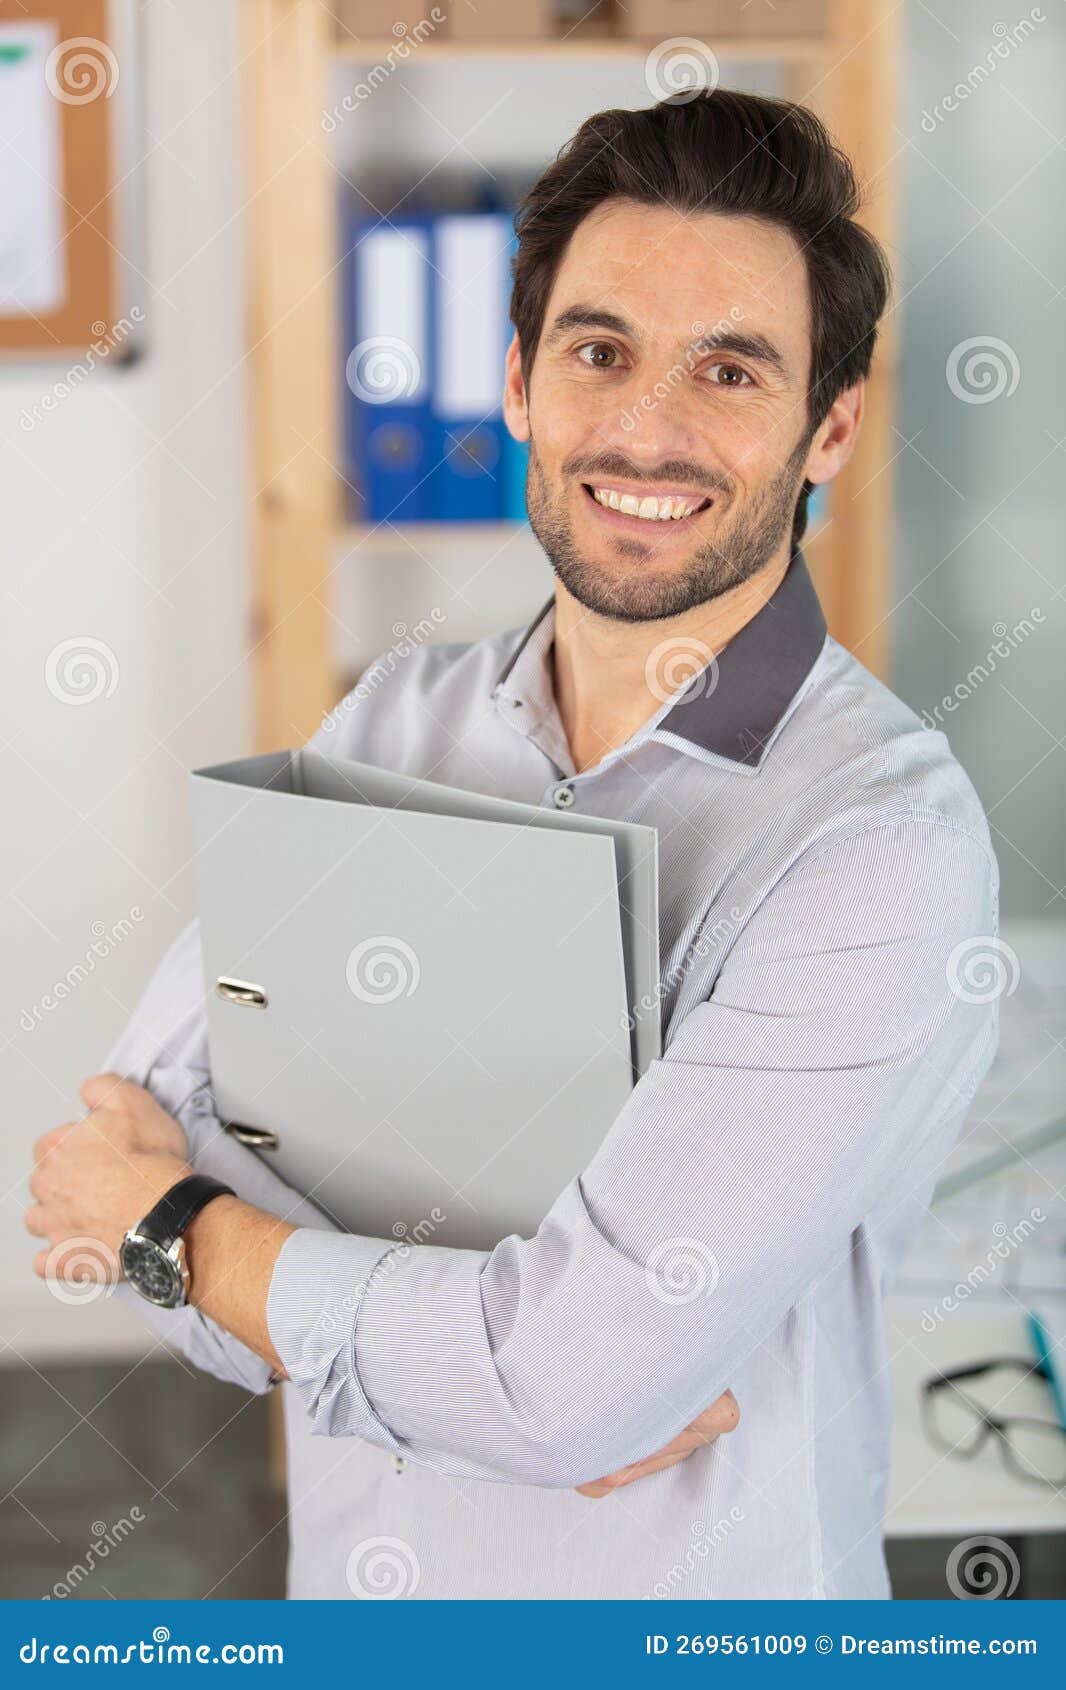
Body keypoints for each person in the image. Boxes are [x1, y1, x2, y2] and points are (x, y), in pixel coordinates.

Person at [26, 89, 1000, 1600]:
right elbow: (109, 1161)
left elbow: (550, 1386)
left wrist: (201, 1241)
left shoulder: (879, 850)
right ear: (518, 386)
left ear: (830, 428)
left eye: (729, 369)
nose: (646, 428)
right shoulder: (387, 723)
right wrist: (486, 1373)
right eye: (597, 350)